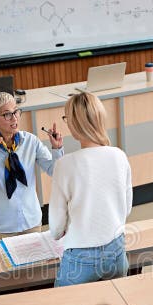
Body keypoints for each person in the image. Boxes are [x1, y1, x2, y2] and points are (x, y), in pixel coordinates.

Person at [48, 91, 132, 287]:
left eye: (67, 118)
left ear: (75, 123)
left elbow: (56, 228)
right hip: (117, 251)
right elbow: (126, 209)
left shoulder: (64, 164)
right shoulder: (119, 155)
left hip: (80, 258)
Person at [0, 92, 64, 245]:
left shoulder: (31, 141)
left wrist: (57, 149)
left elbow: (55, 172)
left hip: (30, 223)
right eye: (7, 114)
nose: (14, 118)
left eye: (16, 111)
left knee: (34, 269)